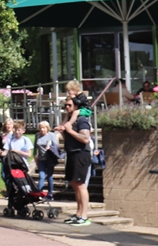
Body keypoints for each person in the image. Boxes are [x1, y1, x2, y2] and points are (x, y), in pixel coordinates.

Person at [55, 97, 92, 226]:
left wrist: (69, 130)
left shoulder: (82, 120)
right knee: (74, 183)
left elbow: (85, 138)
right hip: (71, 153)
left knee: (80, 184)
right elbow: (69, 138)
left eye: (69, 105)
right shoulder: (70, 121)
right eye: (65, 105)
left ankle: (84, 216)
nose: (67, 107)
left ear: (76, 107)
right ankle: (78, 214)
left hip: (81, 154)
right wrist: (64, 133)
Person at [33, 121, 61, 202]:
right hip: (41, 159)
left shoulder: (51, 135)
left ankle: (50, 194)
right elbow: (35, 147)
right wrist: (35, 156)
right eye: (41, 128)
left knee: (49, 177)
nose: (42, 130)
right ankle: (39, 194)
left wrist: (50, 147)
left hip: (49, 159)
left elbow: (56, 147)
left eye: (44, 128)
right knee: (41, 176)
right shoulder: (37, 135)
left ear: (47, 128)